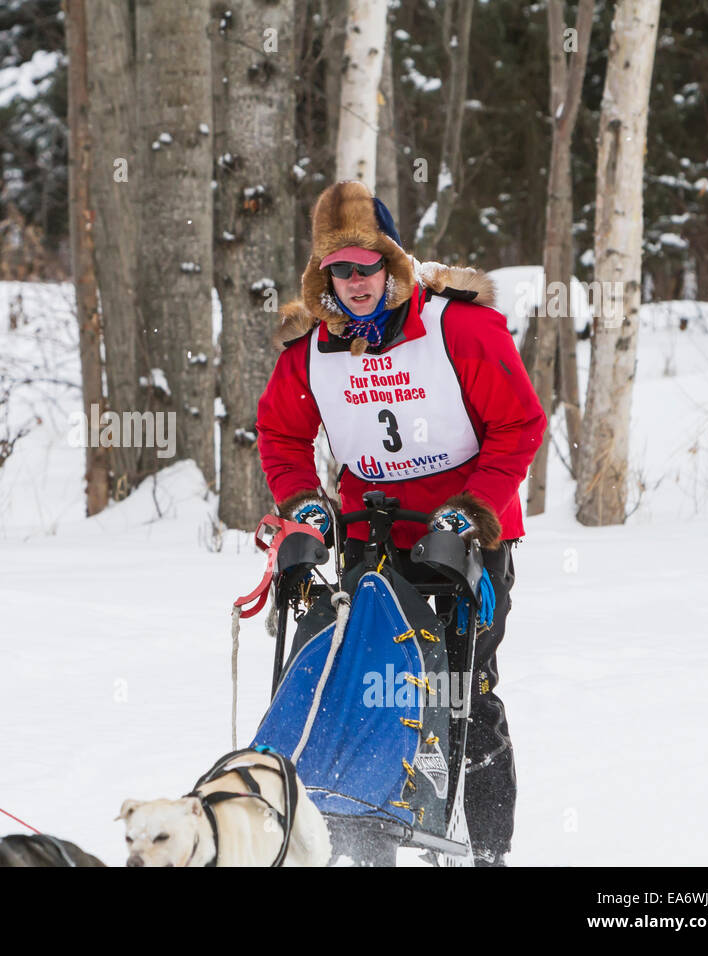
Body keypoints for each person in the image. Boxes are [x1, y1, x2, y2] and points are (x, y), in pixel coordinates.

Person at [255, 180, 547, 866]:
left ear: (390, 261)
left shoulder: (461, 327)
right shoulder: (311, 352)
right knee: (363, 690)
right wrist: (303, 504)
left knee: (459, 692)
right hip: (371, 537)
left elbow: (519, 425)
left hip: (465, 539)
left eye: (365, 265)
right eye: (339, 270)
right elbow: (280, 434)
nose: (355, 283)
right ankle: (365, 842)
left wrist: (473, 508)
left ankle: (487, 852)